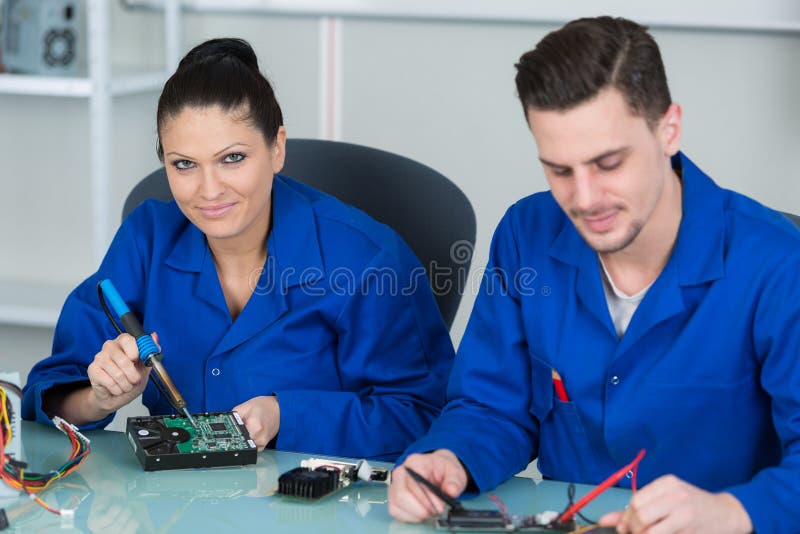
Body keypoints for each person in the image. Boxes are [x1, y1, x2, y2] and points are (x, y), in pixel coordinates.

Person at [388, 16, 800, 533]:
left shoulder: (779, 266)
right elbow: (492, 405)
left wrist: (736, 511)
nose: (584, 200)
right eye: (560, 170)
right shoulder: (526, 234)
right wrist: (449, 458)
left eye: (609, 164)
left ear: (668, 129)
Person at [22, 38, 454, 461]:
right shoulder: (147, 237)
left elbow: (426, 413)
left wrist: (285, 415)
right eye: (184, 164)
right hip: (174, 508)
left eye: (232, 158)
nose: (209, 191)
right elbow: (50, 393)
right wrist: (99, 397)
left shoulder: (367, 260)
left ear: (277, 148)